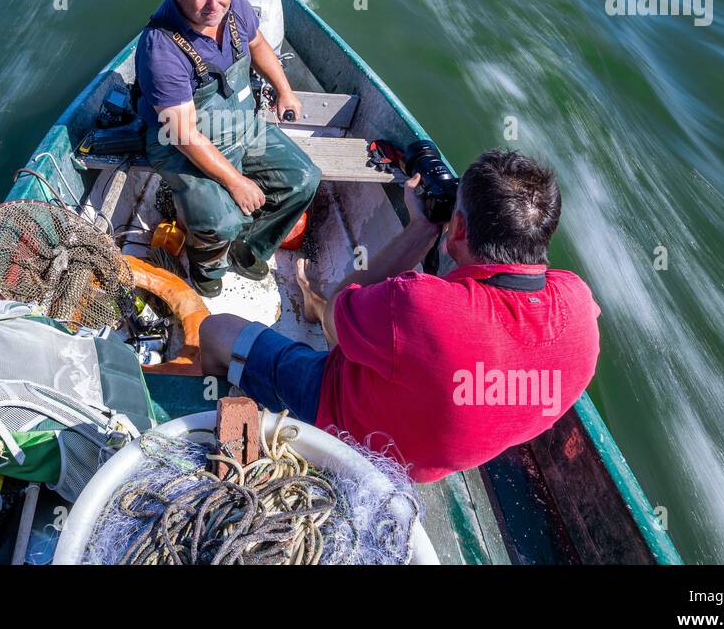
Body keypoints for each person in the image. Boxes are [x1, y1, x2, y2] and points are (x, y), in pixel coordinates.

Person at [199, 149, 601, 482]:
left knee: (216, 329)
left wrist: (422, 229)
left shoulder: (422, 305)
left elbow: (335, 318)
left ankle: (209, 400)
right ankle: (315, 304)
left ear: (458, 228)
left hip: (338, 422)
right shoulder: (581, 307)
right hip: (415, 467)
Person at [136, 0, 321, 297]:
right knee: (219, 221)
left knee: (304, 179)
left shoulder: (233, 5)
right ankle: (206, 267)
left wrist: (284, 89)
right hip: (180, 142)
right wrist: (236, 182)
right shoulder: (161, 48)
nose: (215, 4)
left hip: (240, 123)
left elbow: (257, 45)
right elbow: (184, 135)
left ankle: (247, 247)